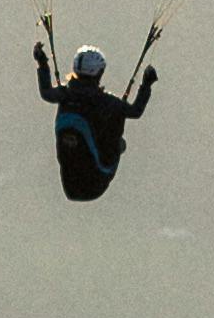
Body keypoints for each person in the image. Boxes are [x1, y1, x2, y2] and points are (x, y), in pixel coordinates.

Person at [34, 27, 157, 204]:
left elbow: (46, 92)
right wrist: (147, 84)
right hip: (96, 181)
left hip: (69, 185)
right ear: (100, 72)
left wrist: (42, 63)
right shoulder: (107, 102)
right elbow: (135, 111)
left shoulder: (65, 95)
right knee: (118, 135)